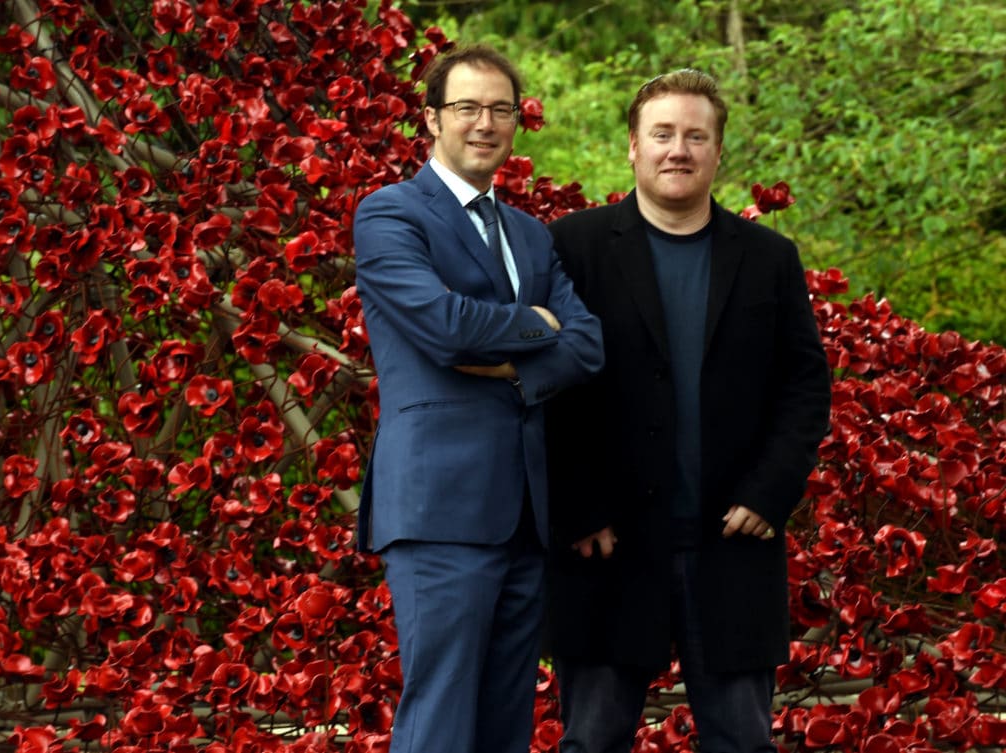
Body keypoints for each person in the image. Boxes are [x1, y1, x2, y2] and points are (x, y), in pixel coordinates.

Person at [543, 69, 832, 753]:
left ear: (717, 152)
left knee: (741, 741)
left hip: (730, 547)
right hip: (607, 546)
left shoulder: (768, 259)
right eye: (663, 134)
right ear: (633, 148)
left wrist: (770, 491)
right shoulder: (572, 247)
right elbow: (546, 381)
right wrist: (579, 506)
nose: (679, 149)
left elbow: (805, 386)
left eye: (695, 136)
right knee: (591, 740)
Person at [352, 45, 604, 753]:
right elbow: (444, 326)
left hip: (525, 512)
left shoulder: (528, 233)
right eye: (467, 107)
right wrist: (537, 326)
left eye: (500, 109)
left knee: (505, 727)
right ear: (432, 119)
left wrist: (521, 371)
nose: (485, 123)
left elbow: (587, 344)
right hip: (440, 509)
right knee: (439, 721)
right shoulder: (390, 214)